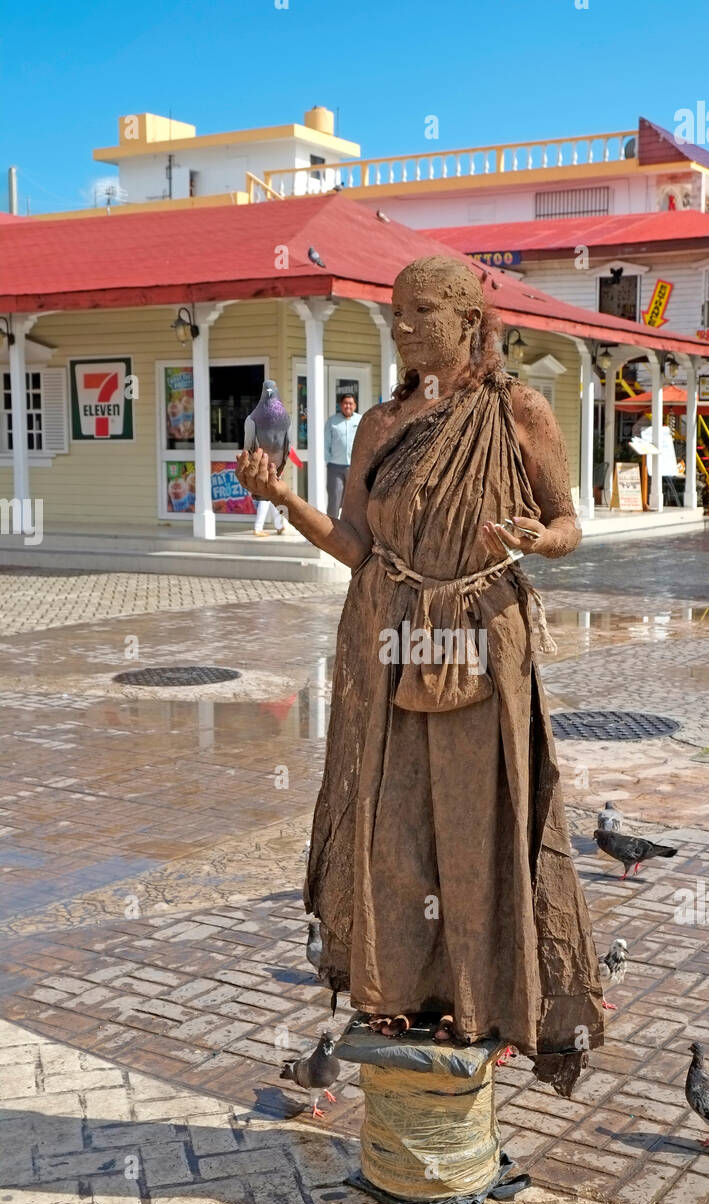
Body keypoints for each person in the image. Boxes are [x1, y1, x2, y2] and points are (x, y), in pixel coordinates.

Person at [236, 255, 603, 1096]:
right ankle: (398, 989)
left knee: (476, 828)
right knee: (392, 818)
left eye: (423, 311)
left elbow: (569, 522)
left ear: (472, 318)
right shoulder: (379, 425)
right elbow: (358, 547)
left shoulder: (519, 411)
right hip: (387, 637)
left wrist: (533, 540)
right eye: (395, 313)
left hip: (482, 637)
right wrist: (288, 503)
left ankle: (480, 996)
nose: (403, 327)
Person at [325, 392, 362, 517]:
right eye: (345, 403)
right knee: (334, 499)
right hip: (336, 467)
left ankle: (350, 530)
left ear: (355, 405)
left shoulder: (361, 420)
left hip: (355, 467)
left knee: (354, 500)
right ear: (341, 405)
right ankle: (331, 528)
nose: (348, 406)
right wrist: (328, 459)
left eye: (350, 403)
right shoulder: (332, 421)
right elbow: (326, 442)